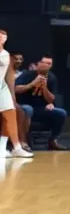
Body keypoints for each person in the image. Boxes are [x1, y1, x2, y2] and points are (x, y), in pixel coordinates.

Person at [14, 55, 66, 150]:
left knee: (60, 113)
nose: (46, 65)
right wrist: (32, 84)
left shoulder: (51, 78)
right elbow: (15, 89)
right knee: (28, 109)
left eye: (49, 63)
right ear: (38, 63)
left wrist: (44, 87)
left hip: (41, 109)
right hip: (24, 106)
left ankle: (53, 140)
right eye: (44, 63)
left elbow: (51, 99)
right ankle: (23, 141)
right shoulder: (27, 74)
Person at [0, 30, 32, 159]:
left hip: (2, 88)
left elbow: (9, 76)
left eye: (3, 37)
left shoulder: (7, 55)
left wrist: (12, 96)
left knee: (11, 115)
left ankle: (13, 148)